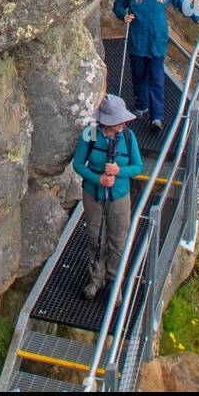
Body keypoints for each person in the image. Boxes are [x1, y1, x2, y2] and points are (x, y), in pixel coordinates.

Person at [113, 0, 199, 132]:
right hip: (138, 39)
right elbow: (118, 6)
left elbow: (181, 1)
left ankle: (157, 116)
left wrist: (196, 17)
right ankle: (142, 105)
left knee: (156, 78)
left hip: (157, 40)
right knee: (139, 74)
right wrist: (123, 15)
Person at [72, 94, 143, 299]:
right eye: (118, 120)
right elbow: (77, 165)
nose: (122, 123)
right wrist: (98, 179)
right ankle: (95, 279)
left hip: (119, 196)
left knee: (118, 240)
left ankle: (114, 281)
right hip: (93, 194)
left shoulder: (129, 137)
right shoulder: (90, 134)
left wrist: (119, 171)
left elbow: (138, 167)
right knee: (95, 238)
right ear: (106, 120)